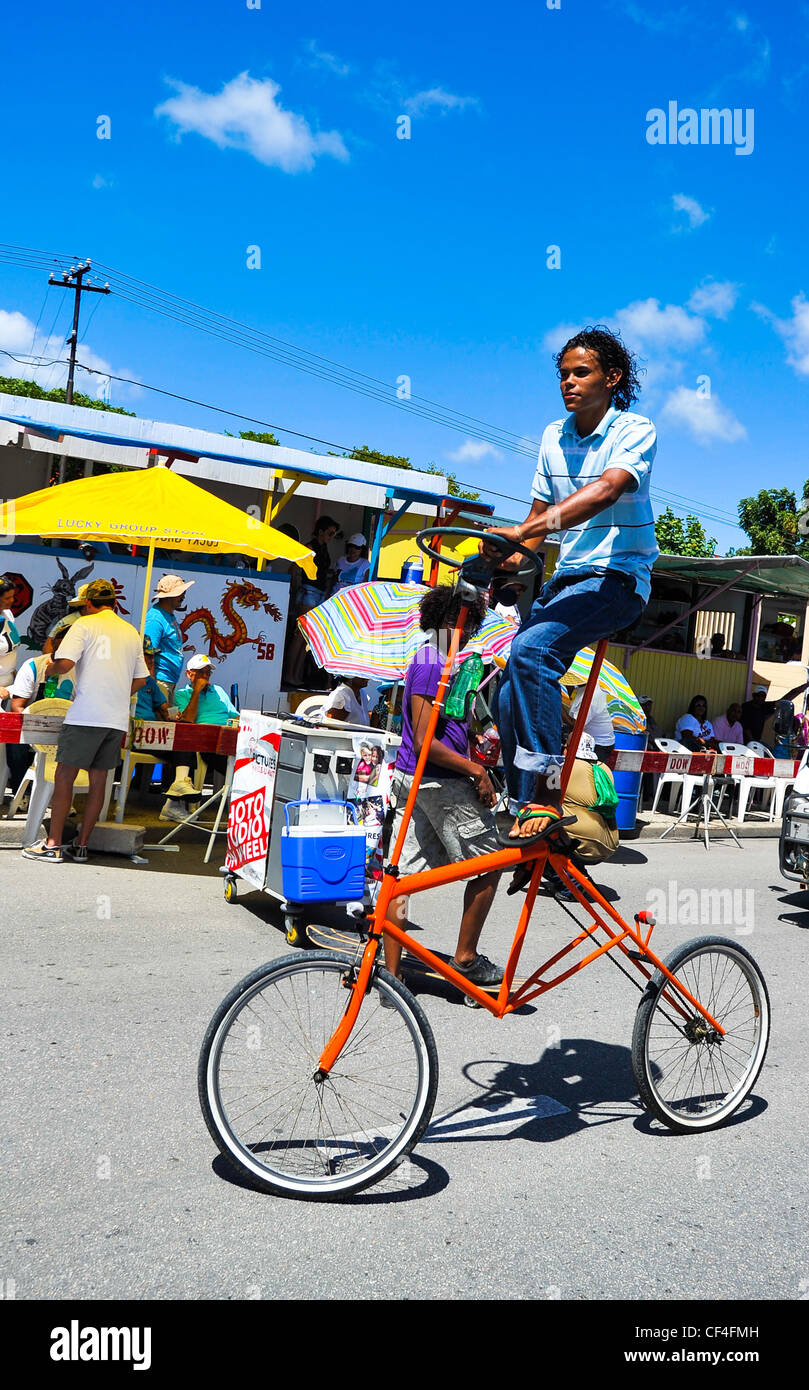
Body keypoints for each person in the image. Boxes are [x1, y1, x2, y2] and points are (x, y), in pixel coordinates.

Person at [483, 326, 656, 843]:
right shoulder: (552, 437)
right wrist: (503, 562)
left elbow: (605, 492)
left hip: (618, 578)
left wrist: (522, 532)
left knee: (533, 652)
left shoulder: (634, 429)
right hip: (567, 582)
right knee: (509, 670)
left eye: (581, 372)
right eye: (563, 374)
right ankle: (522, 801)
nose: (569, 382)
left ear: (613, 377)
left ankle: (545, 792)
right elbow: (536, 526)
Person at [383, 584, 504, 987]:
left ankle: (392, 975)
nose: (469, 632)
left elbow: (443, 726)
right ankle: (465, 960)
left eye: (472, 624)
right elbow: (423, 741)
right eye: (464, 623)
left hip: (417, 779)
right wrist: (476, 771)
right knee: (490, 866)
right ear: (448, 621)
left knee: (402, 880)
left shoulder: (445, 661)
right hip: (437, 782)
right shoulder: (432, 662)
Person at [21, 578, 148, 863]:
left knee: (64, 775)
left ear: (89, 603)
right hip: (116, 719)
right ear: (114, 603)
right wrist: (116, 693)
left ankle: (52, 844)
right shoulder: (131, 632)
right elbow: (141, 679)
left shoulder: (84, 625)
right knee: (98, 782)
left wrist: (49, 669)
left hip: (86, 714)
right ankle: (82, 846)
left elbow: (64, 664)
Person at [159, 654, 239, 821]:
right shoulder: (183, 694)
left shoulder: (219, 691)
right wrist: (196, 691)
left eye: (208, 673)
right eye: (201, 672)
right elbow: (187, 722)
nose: (205, 676)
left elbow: (235, 715)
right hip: (204, 743)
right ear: (189, 674)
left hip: (227, 737)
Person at [284, 515, 340, 686]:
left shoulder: (322, 548)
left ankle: (295, 675)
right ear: (321, 531)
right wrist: (293, 588)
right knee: (300, 635)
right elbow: (293, 567)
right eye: (330, 533)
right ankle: (289, 674)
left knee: (306, 637)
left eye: (333, 534)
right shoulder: (311, 547)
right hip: (309, 592)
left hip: (316, 593)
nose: (331, 537)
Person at [143, 574, 195, 700]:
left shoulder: (167, 615)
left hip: (167, 681)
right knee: (160, 718)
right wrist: (153, 686)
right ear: (168, 596)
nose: (183, 596)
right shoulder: (155, 619)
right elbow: (147, 653)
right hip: (160, 681)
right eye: (180, 592)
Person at [562, 669, 615, 763]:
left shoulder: (591, 695)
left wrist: (557, 705)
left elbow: (575, 724)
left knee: (585, 770)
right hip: (589, 738)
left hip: (599, 744)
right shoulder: (583, 687)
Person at [742, 680, 809, 746]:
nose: (760, 698)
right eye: (758, 695)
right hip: (744, 741)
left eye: (763, 696)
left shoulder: (764, 706)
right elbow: (745, 727)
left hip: (756, 741)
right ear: (753, 695)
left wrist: (803, 687)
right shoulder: (746, 707)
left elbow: (784, 700)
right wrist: (753, 743)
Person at [0, 574, 19, 700]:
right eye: (7, 598)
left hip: (8, 683)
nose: (12, 600)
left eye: (13, 596)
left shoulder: (8, 614)